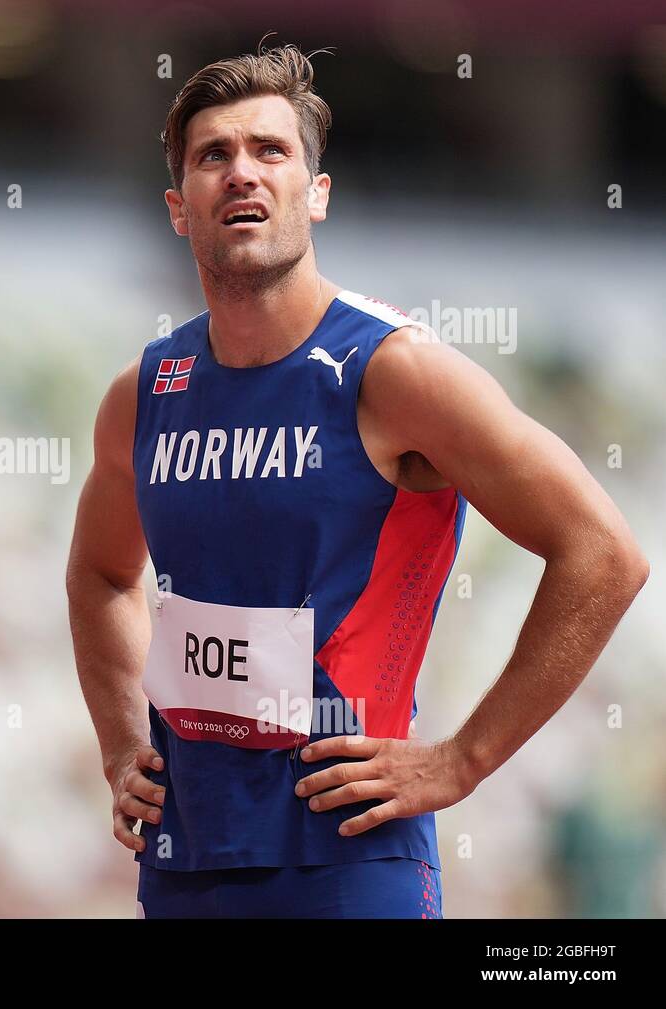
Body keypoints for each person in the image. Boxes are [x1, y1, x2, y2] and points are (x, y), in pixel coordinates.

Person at [64, 43, 650, 918]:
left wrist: (463, 758)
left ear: (318, 192)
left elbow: (604, 554)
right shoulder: (146, 394)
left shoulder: (396, 372)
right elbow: (103, 573)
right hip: (187, 858)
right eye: (213, 155)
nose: (242, 173)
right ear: (179, 208)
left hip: (345, 859)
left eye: (272, 150)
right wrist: (120, 744)